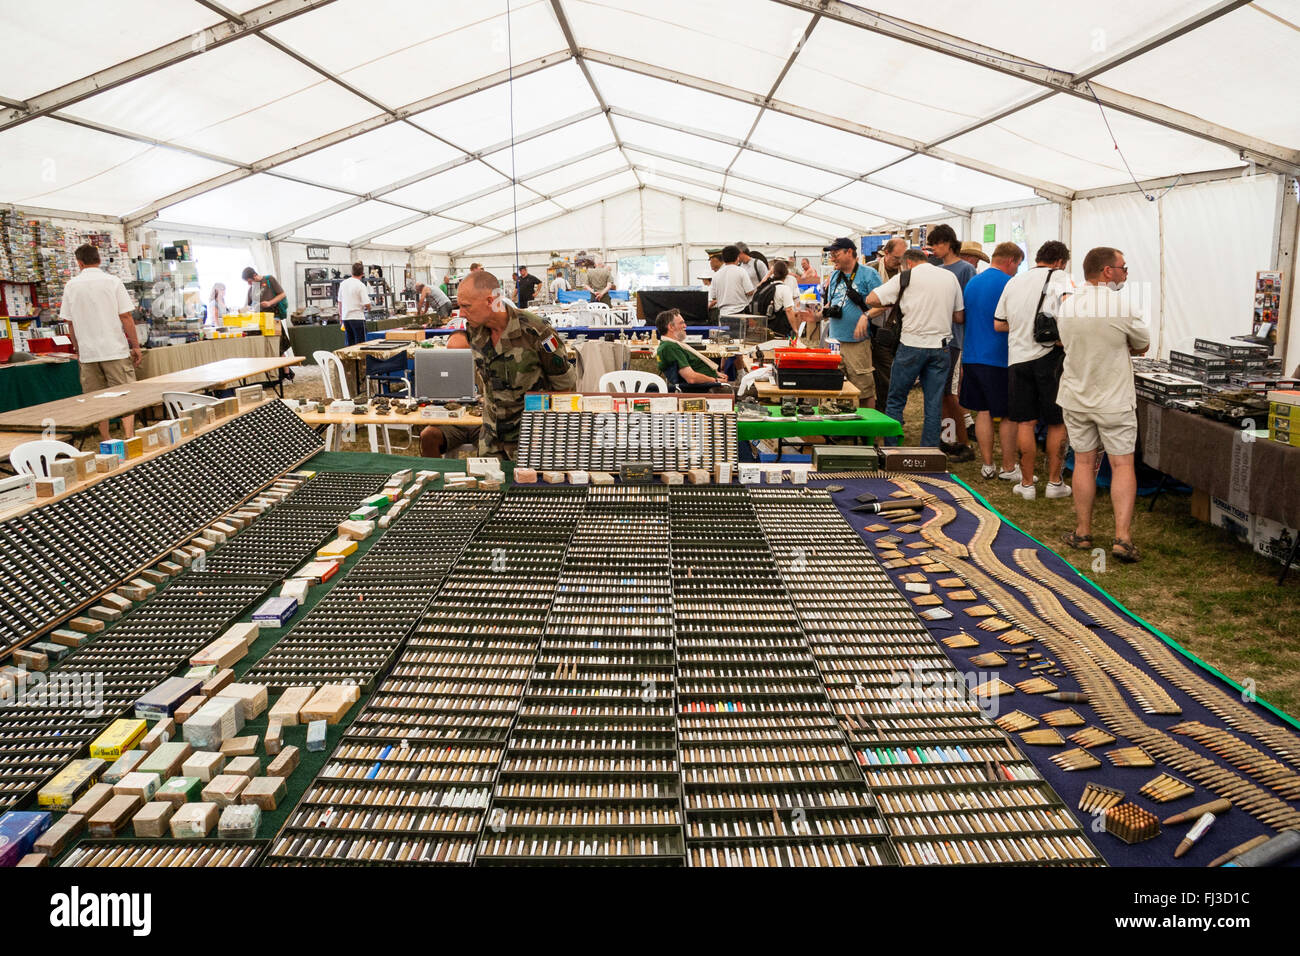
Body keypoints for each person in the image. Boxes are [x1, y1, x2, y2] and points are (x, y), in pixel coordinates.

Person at [1057, 247, 1150, 563]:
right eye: (1123, 267)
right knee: (1122, 464)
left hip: (1076, 394)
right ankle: (1122, 538)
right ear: (1107, 271)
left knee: (1083, 462)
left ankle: (1083, 532)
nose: (1126, 273)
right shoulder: (1122, 306)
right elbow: (1143, 345)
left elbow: (1065, 343)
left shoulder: (1067, 305)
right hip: (1114, 398)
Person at [461, 269, 577, 458]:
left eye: (466, 306)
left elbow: (565, 387)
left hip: (533, 440)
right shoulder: (475, 331)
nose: (461, 313)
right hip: (491, 439)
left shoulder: (537, 331)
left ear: (490, 301)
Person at [994, 240, 1073, 501]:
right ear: (1060, 261)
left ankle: (1027, 484)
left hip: (1018, 358)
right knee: (1056, 422)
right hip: (1051, 358)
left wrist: (1024, 330)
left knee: (1025, 422)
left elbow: (999, 323)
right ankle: (1054, 482)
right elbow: (1074, 316)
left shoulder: (1014, 281)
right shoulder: (1061, 278)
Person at [864, 249, 964, 448]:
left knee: (896, 400)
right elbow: (959, 316)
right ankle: (929, 451)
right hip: (940, 346)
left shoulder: (905, 277)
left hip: (911, 345)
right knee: (933, 404)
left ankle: (891, 448)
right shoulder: (949, 277)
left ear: (907, 263)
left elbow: (871, 299)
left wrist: (899, 300)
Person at [60, 244, 141, 441]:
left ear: (79, 263)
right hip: (115, 349)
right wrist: (136, 345)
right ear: (99, 259)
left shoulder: (71, 285)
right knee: (126, 395)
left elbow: (70, 323)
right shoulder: (112, 281)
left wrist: (78, 349)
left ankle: (105, 441)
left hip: (89, 353)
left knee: (95, 401)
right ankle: (129, 437)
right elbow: (126, 317)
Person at [958, 242, 1025, 480]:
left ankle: (987, 465)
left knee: (983, 412)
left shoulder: (973, 282)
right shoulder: (1010, 284)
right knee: (1007, 415)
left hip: (972, 355)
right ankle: (1009, 467)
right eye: (1017, 265)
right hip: (999, 358)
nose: (1017, 270)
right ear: (1012, 261)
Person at [927, 224, 977, 462]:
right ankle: (949, 439)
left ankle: (963, 443)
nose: (934, 248)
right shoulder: (935, 268)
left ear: (948, 243)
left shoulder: (965, 269)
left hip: (954, 338)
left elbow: (967, 308)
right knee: (941, 392)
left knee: (949, 392)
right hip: (935, 337)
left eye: (937, 243)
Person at [822, 236, 882, 408]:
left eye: (835, 253)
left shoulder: (869, 274)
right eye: (831, 254)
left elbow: (885, 304)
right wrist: (818, 314)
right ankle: (844, 428)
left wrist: (866, 316)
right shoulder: (834, 275)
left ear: (849, 252)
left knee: (864, 390)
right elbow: (831, 303)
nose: (832, 258)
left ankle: (867, 432)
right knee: (839, 388)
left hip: (858, 343)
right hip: (834, 342)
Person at [419, 329, 482, 457]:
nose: (454, 357)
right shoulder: (440, 369)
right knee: (428, 436)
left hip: (479, 424)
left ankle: (485, 474)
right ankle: (433, 474)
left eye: (460, 353)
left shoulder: (485, 368)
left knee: (492, 441)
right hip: (450, 423)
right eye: (450, 352)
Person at [865, 237, 907, 411]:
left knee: (892, 374)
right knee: (885, 375)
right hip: (876, 329)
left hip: (899, 330)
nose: (899, 262)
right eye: (897, 258)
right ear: (886, 253)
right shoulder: (871, 270)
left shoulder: (906, 271)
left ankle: (888, 410)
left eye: (902, 258)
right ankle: (887, 411)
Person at [656, 309, 728, 391]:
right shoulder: (670, 347)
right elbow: (691, 378)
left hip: (708, 383)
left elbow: (694, 367)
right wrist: (715, 380)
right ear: (671, 327)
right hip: (702, 388)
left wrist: (716, 374)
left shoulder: (674, 344)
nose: (685, 326)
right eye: (681, 323)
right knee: (737, 391)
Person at [708, 245, 755, 317]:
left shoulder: (716, 275)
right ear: (737, 258)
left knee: (725, 329)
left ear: (723, 259)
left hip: (723, 313)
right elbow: (750, 292)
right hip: (740, 311)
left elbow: (714, 297)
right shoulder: (741, 271)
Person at [338, 261, 371, 346]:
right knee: (361, 345)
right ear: (362, 273)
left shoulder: (343, 284)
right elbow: (367, 303)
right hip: (357, 318)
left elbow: (340, 302)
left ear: (351, 272)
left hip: (346, 318)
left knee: (349, 345)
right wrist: (369, 308)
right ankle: (361, 360)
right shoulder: (361, 285)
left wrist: (341, 317)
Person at [768, 260, 801, 339]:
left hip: (768, 323)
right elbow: (789, 310)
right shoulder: (785, 288)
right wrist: (795, 329)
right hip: (780, 326)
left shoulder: (768, 285)